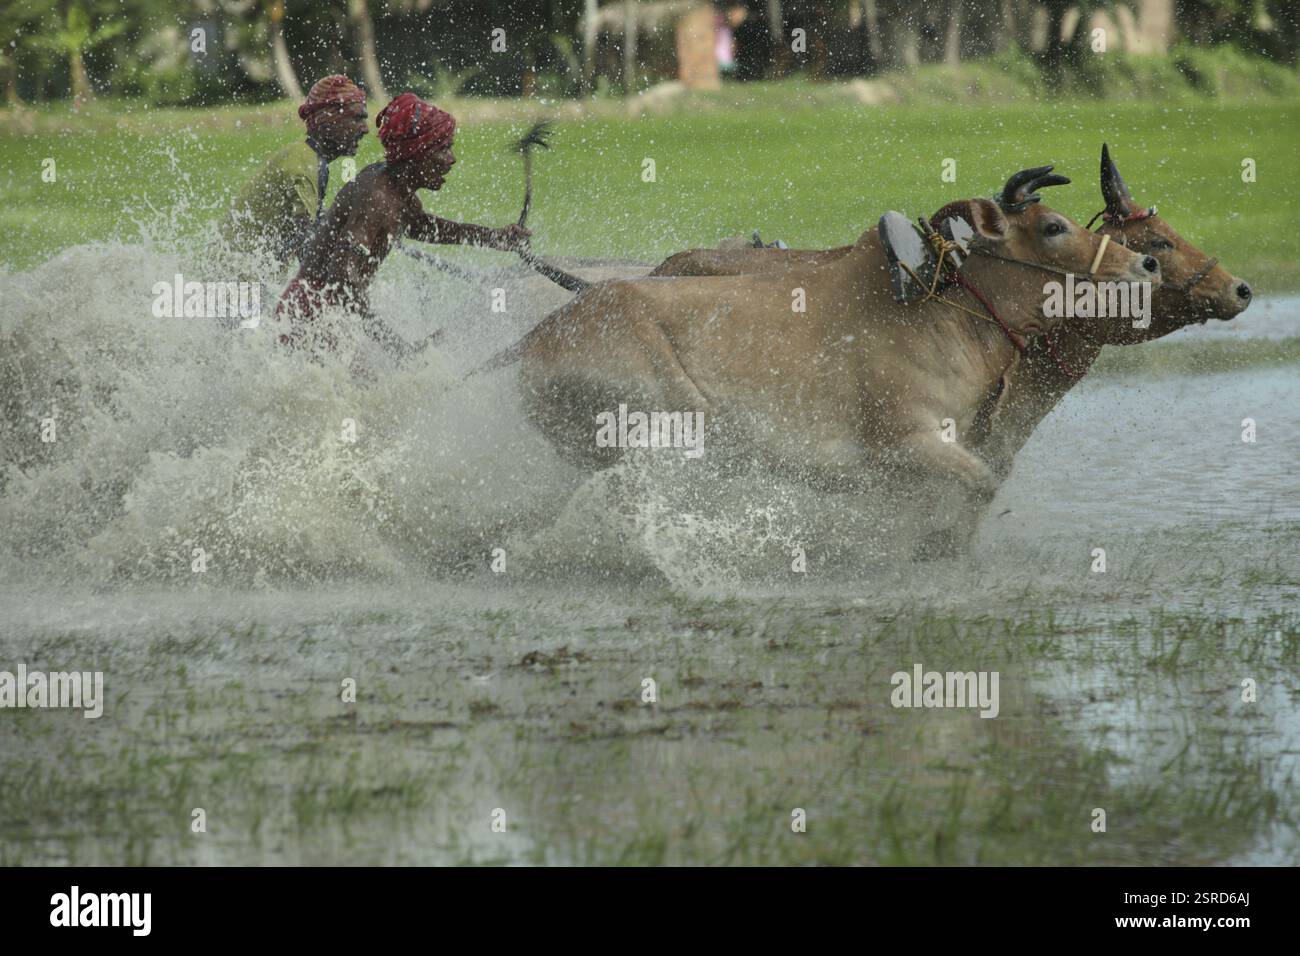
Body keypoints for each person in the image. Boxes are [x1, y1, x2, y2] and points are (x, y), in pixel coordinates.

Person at [275, 92, 531, 358]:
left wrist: (496, 238)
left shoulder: (397, 188)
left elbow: (423, 227)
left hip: (329, 314)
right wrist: (395, 346)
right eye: (442, 149)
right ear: (416, 153)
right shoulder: (378, 196)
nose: (451, 159)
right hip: (311, 316)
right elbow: (342, 279)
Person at [221, 75, 369, 267]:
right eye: (357, 118)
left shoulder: (304, 155)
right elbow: (308, 251)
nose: (365, 129)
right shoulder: (306, 166)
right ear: (328, 119)